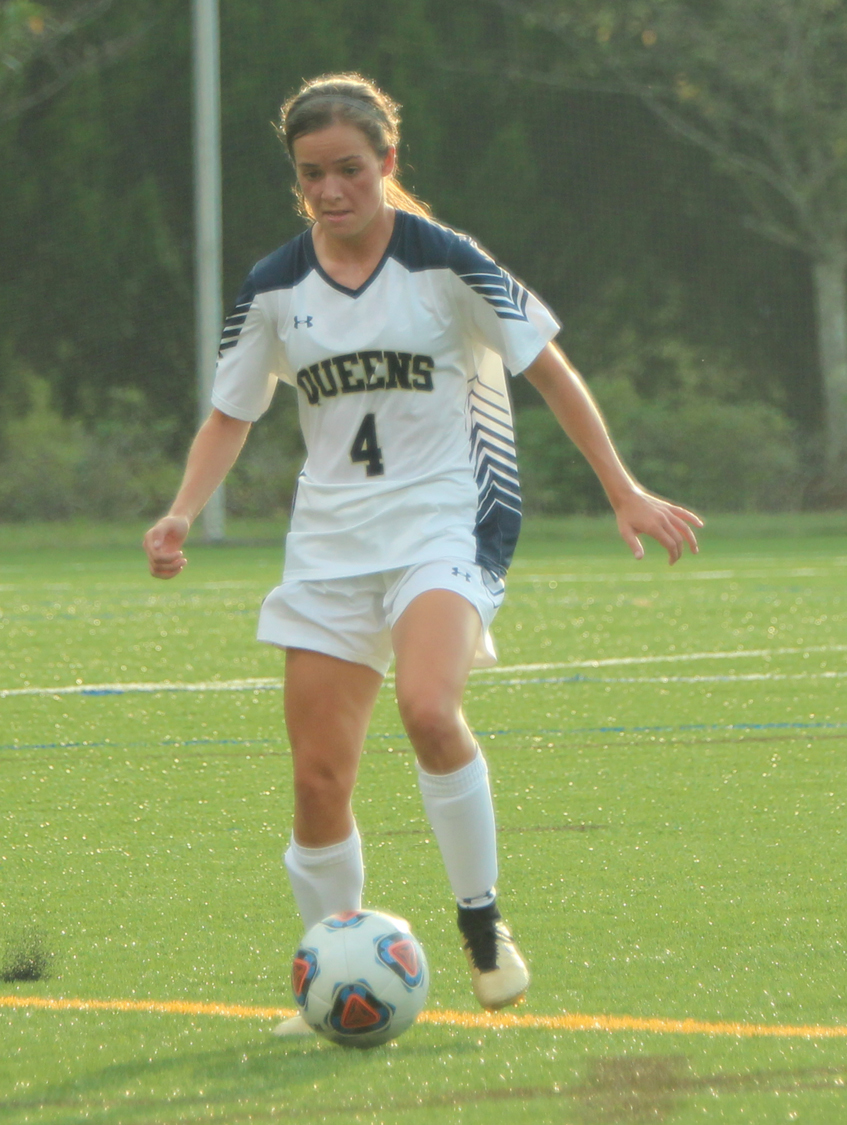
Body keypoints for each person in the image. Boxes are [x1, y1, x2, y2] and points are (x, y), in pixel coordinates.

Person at [142, 73, 702, 1035]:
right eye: (312, 174)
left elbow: (551, 372)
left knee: (429, 707)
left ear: (388, 163)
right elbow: (232, 411)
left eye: (350, 170)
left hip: (448, 520)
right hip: (329, 544)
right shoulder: (275, 287)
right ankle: (331, 973)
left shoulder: (446, 263)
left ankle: (483, 926)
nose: (331, 191)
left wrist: (623, 486)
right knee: (319, 779)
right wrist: (183, 511)